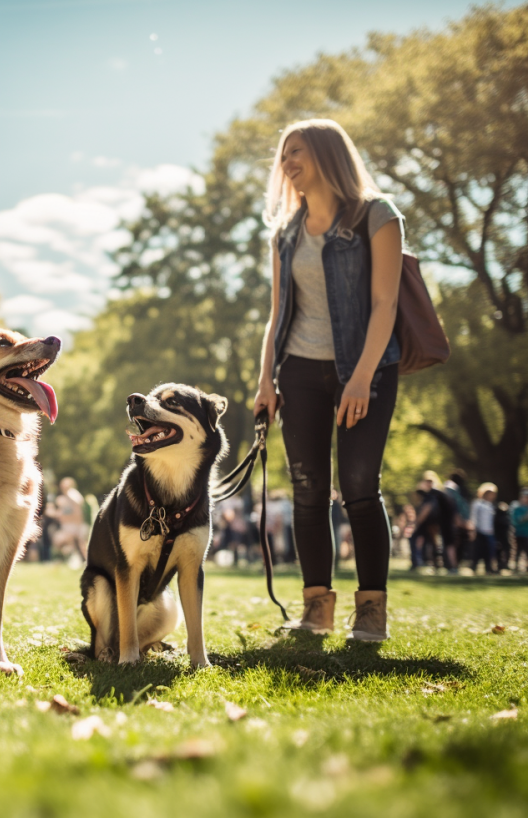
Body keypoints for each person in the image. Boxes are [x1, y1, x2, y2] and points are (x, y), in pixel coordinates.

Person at [253, 119, 404, 641]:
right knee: (308, 490)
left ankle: (371, 611)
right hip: (298, 371)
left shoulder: (376, 216)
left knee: (361, 487)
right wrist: (265, 381)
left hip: (364, 369)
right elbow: (277, 315)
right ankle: (316, 608)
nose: (287, 163)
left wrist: (360, 378)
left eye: (297, 152)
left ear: (327, 154)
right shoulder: (286, 232)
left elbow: (386, 303)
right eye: (283, 155)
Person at [470, 483, 498, 575]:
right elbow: (473, 517)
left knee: (489, 551)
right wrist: (473, 529)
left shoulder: (491, 505)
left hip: (489, 532)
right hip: (479, 531)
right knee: (478, 551)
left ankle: (489, 568)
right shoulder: (478, 504)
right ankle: (474, 567)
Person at [510, 488, 528, 573]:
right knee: (518, 550)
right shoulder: (517, 508)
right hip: (520, 534)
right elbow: (516, 521)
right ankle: (516, 567)